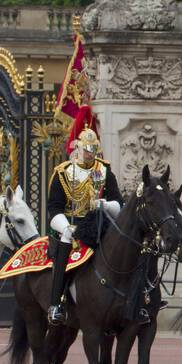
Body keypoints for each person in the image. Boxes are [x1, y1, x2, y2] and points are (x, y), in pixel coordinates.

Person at [46, 124, 124, 325]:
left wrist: (104, 204)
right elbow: (54, 208)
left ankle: (138, 298)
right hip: (72, 224)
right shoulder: (63, 173)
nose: (90, 154)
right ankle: (56, 303)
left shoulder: (104, 170)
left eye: (93, 150)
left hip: (98, 223)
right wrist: (65, 227)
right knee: (65, 241)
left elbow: (119, 204)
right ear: (77, 147)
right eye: (86, 150)